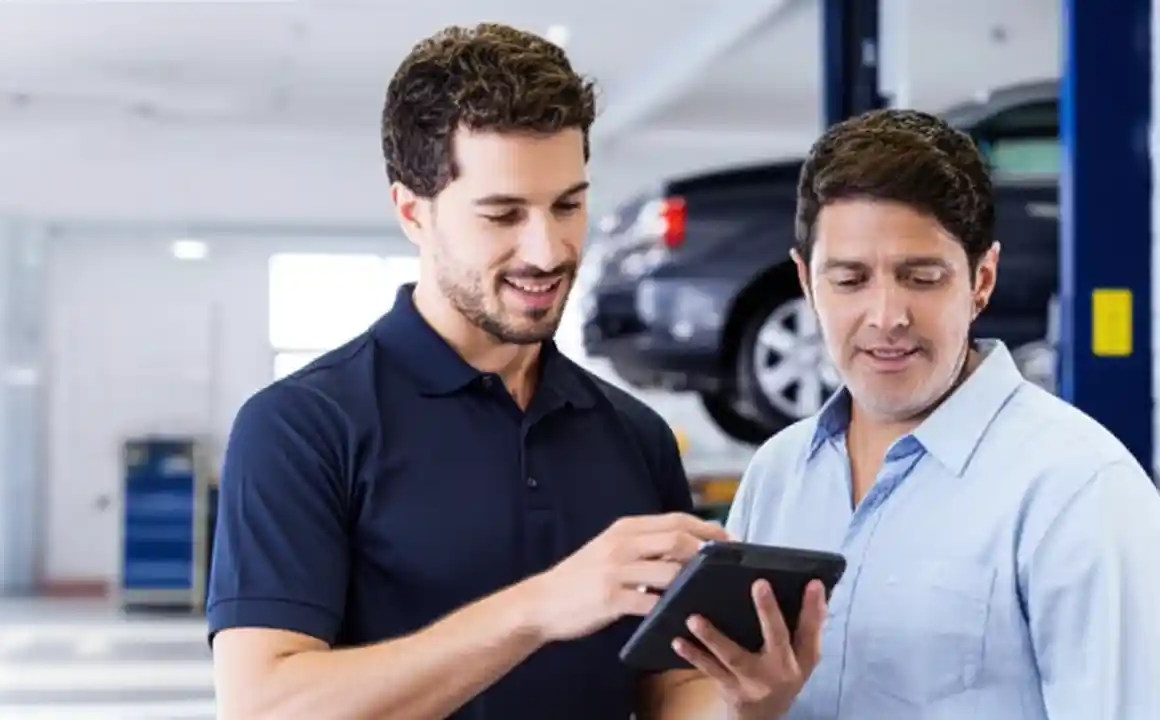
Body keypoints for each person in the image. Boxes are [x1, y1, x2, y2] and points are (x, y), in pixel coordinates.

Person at [207, 23, 823, 720]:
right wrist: (540, 607)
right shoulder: (301, 428)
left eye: (568, 205)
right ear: (413, 213)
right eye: (503, 215)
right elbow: (265, 706)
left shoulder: (635, 436)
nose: (548, 250)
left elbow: (666, 693)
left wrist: (748, 699)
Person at [724, 107, 1160, 718]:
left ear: (982, 280)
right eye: (849, 280)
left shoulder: (1078, 490)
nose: (886, 317)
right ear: (806, 282)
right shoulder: (776, 476)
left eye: (922, 278)